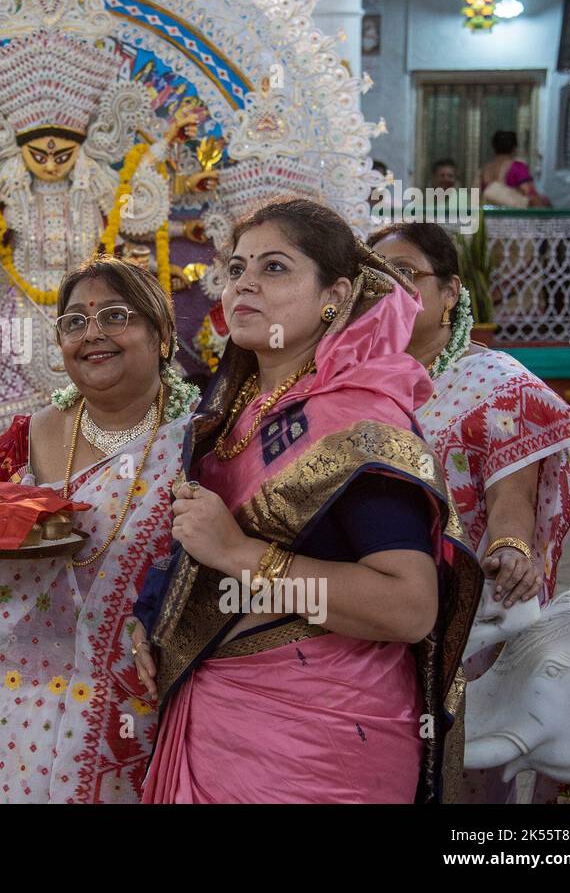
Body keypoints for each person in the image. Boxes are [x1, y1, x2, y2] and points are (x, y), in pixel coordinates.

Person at [132, 199, 481, 804]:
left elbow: (409, 607)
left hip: (319, 742)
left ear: (335, 295)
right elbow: (198, 553)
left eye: (274, 269)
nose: (244, 285)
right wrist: (156, 618)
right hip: (218, 714)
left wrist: (243, 555)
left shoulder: (359, 420)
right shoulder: (232, 414)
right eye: (237, 269)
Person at [0, 257, 199, 803]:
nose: (92, 334)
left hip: (135, 694)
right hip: (7, 694)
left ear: (163, 334)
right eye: (75, 322)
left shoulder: (197, 442)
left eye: (116, 316)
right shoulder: (30, 436)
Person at [369, 221, 570, 801]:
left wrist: (510, 550)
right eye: (376, 278)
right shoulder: (350, 382)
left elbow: (511, 499)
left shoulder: (496, 385)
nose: (389, 289)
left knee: (458, 777)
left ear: (449, 292)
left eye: (406, 274)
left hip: (460, 615)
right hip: (362, 606)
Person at [479, 130, 551, 208]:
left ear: (493, 148)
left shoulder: (484, 170)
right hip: (512, 216)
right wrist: (544, 201)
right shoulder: (517, 167)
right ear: (514, 148)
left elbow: (475, 198)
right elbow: (529, 193)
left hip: (488, 217)